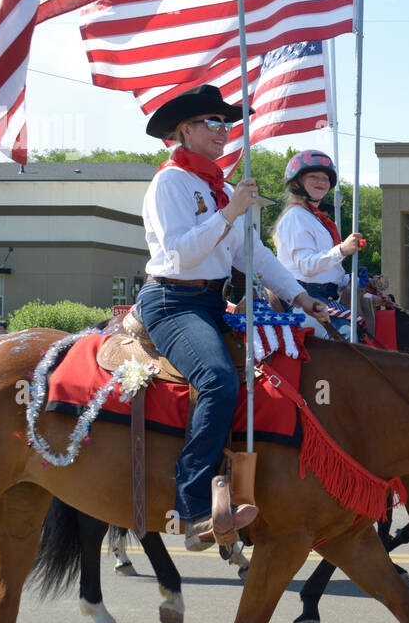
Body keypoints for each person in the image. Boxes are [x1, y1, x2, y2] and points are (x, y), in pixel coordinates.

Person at [138, 84, 331, 550]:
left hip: (209, 301)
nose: (224, 132)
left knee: (271, 372)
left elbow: (254, 256)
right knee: (220, 379)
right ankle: (193, 505)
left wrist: (300, 297)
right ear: (185, 130)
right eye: (213, 123)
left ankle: (244, 483)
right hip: (172, 300)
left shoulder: (220, 187)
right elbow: (180, 254)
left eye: (227, 124)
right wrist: (230, 212)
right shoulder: (170, 182)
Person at [273, 149, 368, 337]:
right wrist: (342, 250)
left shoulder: (315, 220)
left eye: (325, 178)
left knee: (364, 334)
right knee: (345, 341)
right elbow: (306, 266)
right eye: (314, 177)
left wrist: (359, 281)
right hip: (301, 297)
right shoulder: (295, 217)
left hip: (326, 295)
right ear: (296, 182)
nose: (321, 182)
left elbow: (331, 273)